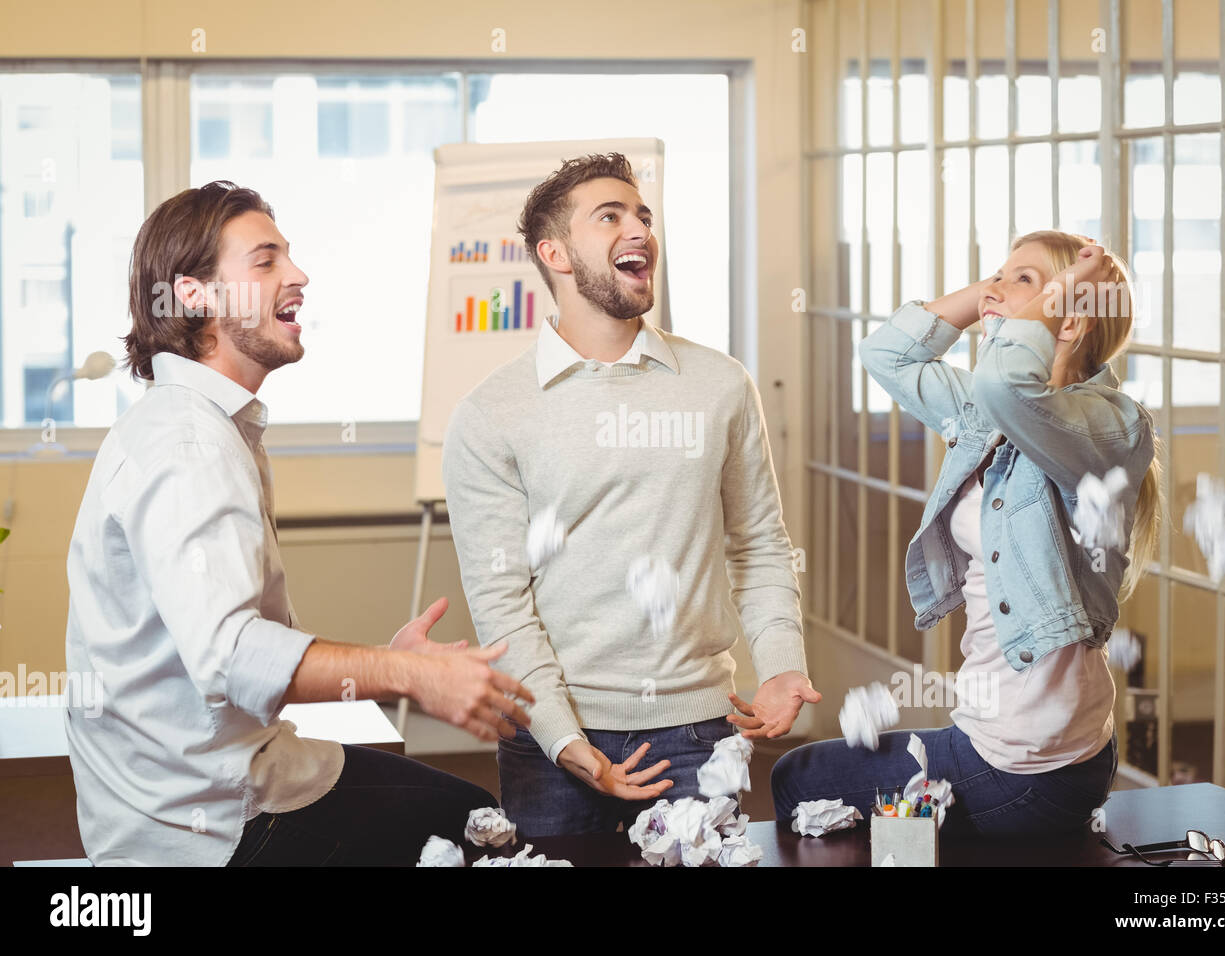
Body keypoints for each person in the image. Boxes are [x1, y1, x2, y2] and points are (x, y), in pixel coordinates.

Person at [65, 181, 533, 866]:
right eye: (265, 261)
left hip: (213, 780)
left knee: (471, 822)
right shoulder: (187, 442)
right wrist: (405, 674)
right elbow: (232, 655)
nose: (299, 276)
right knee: (479, 833)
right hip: (209, 824)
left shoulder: (195, 425)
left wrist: (395, 662)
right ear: (193, 294)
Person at [441, 153, 819, 838]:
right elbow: (503, 599)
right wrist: (560, 737)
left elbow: (760, 544)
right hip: (551, 741)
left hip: (699, 731)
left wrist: (783, 663)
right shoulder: (489, 414)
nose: (639, 228)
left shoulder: (720, 385)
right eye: (609, 216)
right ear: (554, 253)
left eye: (642, 214)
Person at [771, 231, 1163, 837]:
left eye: (1024, 280)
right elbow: (886, 354)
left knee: (797, 781)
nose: (998, 289)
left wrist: (1056, 292)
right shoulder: (987, 414)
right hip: (1006, 740)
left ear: (1071, 319)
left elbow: (1006, 385)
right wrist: (992, 295)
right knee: (815, 782)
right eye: (997, 276)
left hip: (1027, 766)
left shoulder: (1109, 426)